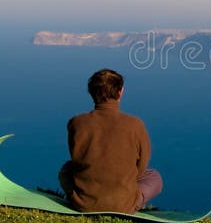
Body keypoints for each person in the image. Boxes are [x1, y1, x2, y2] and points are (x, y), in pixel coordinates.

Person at [58, 68, 163, 214]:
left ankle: (83, 198)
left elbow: (76, 159)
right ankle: (132, 202)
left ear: (91, 93)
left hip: (83, 204)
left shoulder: (76, 123)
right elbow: (142, 165)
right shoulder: (135, 125)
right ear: (120, 92)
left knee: (66, 170)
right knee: (154, 177)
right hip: (124, 205)